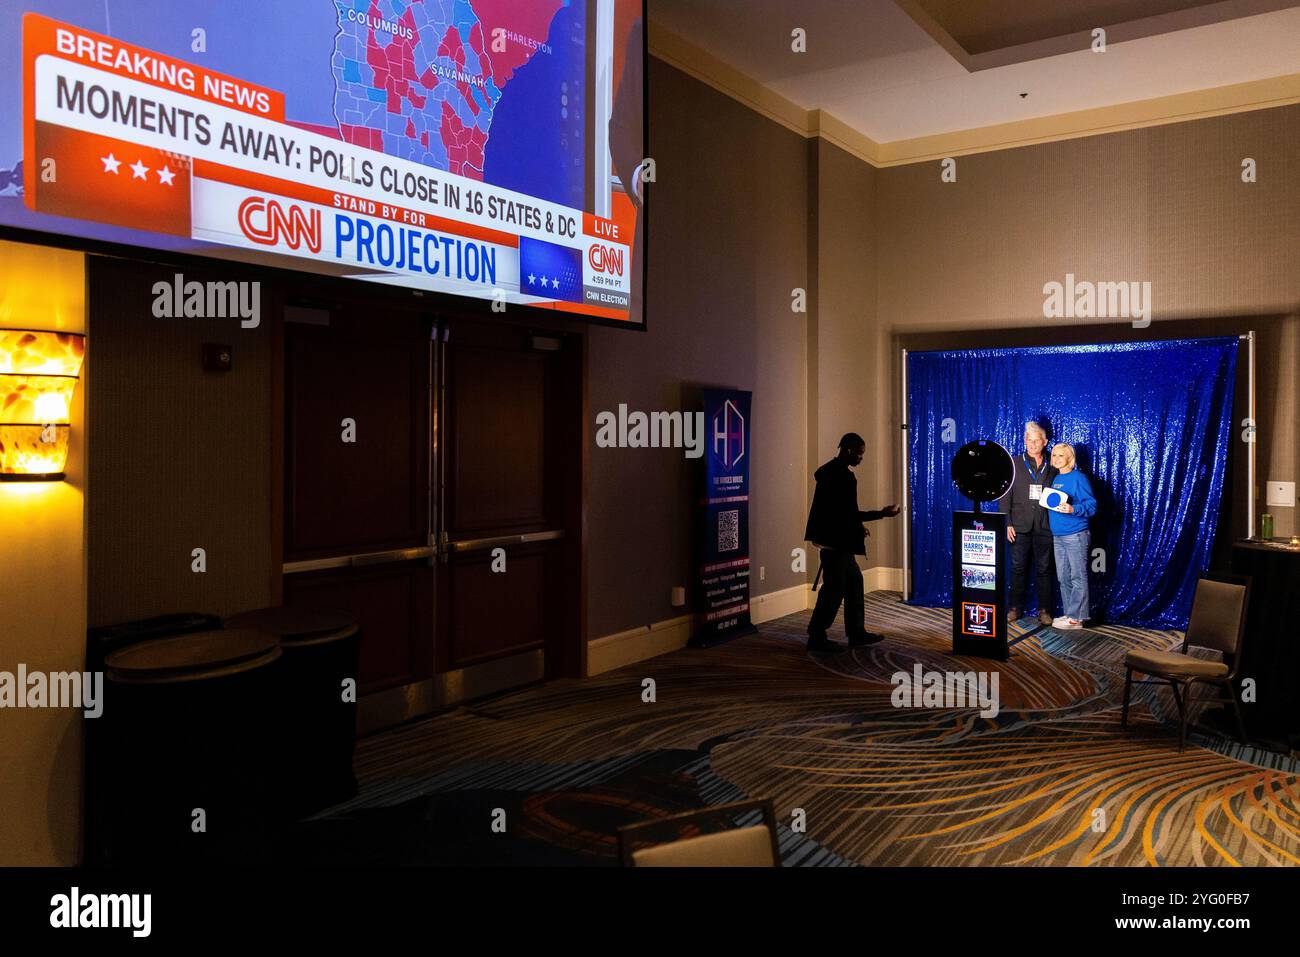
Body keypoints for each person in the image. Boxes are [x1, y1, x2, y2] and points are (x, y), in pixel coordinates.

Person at [804, 433, 900, 652]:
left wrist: (857, 527)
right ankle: (816, 635)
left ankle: (855, 633)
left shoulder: (830, 472)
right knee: (834, 590)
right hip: (835, 542)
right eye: (859, 453)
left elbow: (841, 512)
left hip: (836, 540)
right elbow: (847, 513)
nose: (861, 458)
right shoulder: (842, 477)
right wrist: (882, 513)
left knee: (854, 583)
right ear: (848, 450)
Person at [999, 422, 1058, 626]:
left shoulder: (1053, 466)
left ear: (1045, 442)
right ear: (1025, 441)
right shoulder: (1014, 463)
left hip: (1045, 526)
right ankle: (1014, 608)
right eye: (1029, 440)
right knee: (1018, 568)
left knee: (1044, 569)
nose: (1032, 444)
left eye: (1037, 441)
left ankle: (1044, 611)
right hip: (1019, 526)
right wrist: (1007, 522)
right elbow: (1005, 494)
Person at [1046, 443, 1097, 630]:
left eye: (1060, 455)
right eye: (1053, 455)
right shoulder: (1056, 479)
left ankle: (1078, 618)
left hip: (1076, 534)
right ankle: (1070, 614)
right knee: (1063, 577)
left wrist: (1073, 508)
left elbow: (1091, 506)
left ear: (1070, 458)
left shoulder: (1078, 478)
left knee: (1077, 577)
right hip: (1058, 535)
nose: (1056, 459)